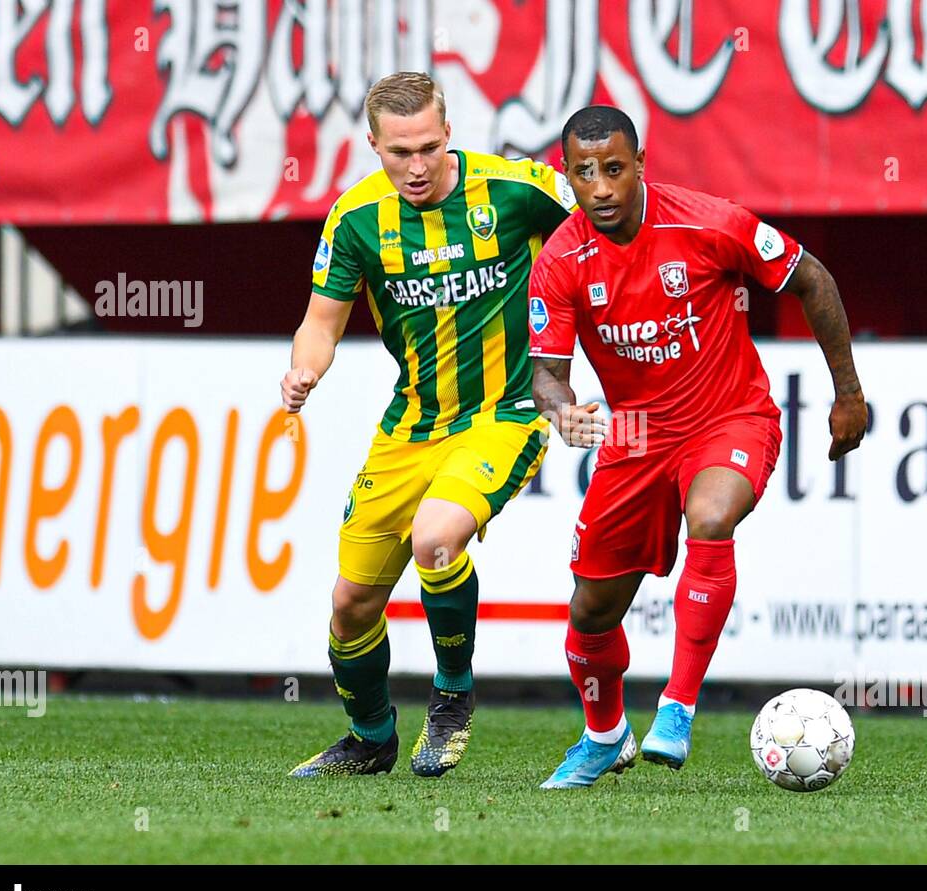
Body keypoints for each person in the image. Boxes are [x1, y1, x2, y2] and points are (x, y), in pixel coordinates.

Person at [527, 106, 868, 788]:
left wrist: (848, 394)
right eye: (583, 173)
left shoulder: (709, 222)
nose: (600, 188)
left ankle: (678, 708)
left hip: (729, 415)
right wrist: (562, 414)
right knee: (590, 612)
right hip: (634, 436)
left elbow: (813, 279)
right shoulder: (561, 260)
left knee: (711, 517)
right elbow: (547, 375)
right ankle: (604, 736)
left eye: (614, 170)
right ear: (566, 176)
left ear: (641, 163)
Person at [281, 71, 575, 778]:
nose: (416, 167)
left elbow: (608, 244)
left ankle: (452, 699)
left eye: (430, 148)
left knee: (437, 537)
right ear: (374, 143)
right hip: (411, 423)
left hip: (505, 414)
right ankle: (370, 738)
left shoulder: (519, 190)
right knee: (350, 605)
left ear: (450, 134)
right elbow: (320, 324)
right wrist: (304, 371)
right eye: (399, 152)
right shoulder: (355, 219)